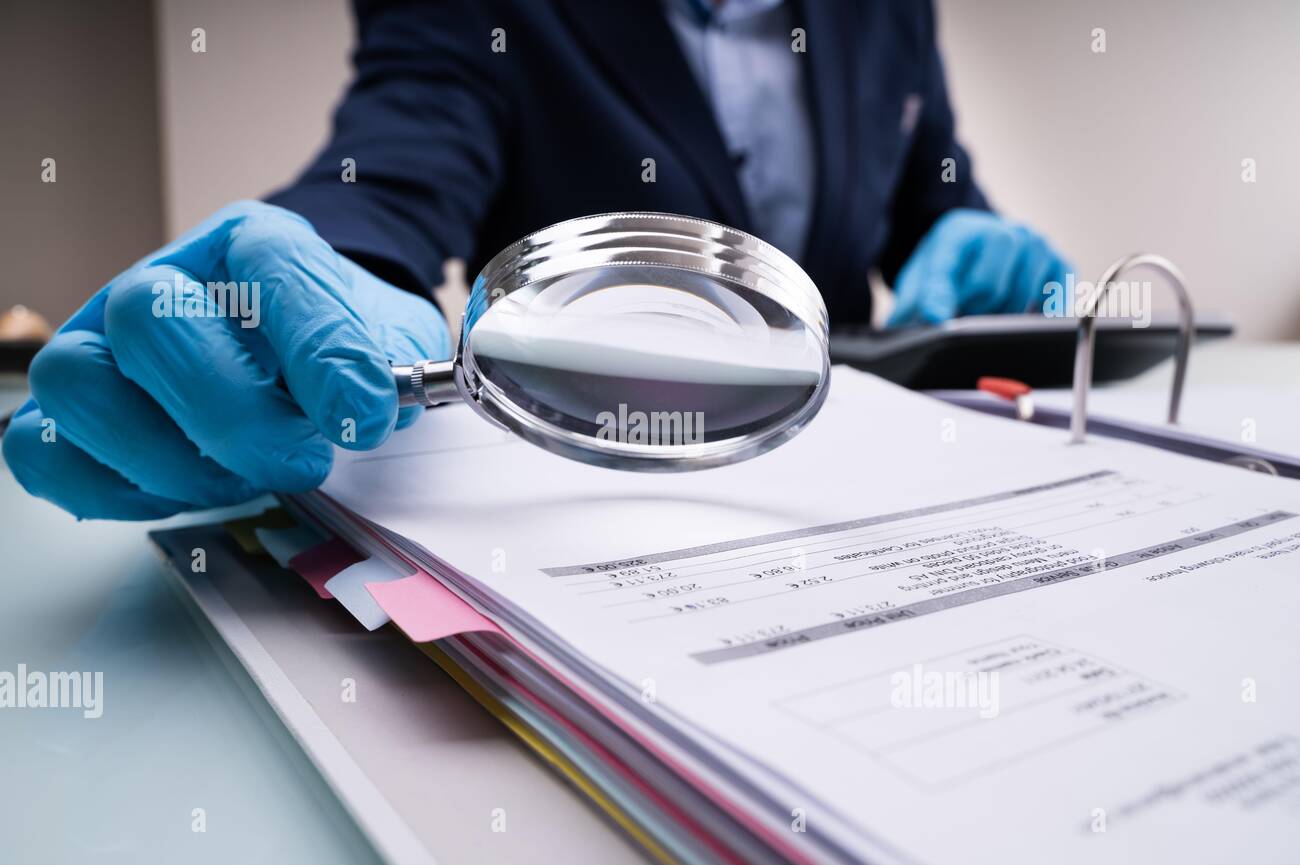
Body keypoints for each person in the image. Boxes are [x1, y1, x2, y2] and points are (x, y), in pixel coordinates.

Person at [4, 0, 1069, 519]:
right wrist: (340, 282)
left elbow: (934, 196)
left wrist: (972, 243)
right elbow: (391, 169)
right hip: (594, 500)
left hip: (869, 478)